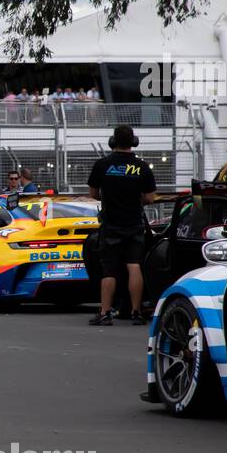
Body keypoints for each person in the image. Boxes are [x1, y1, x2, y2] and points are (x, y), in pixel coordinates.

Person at [87, 125, 157, 326]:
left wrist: (111, 198)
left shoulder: (102, 165)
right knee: (134, 265)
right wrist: (133, 200)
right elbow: (150, 198)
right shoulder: (142, 167)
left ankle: (105, 312)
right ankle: (136, 312)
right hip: (134, 223)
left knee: (108, 269)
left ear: (113, 142)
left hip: (111, 225)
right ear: (133, 142)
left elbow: (93, 194)